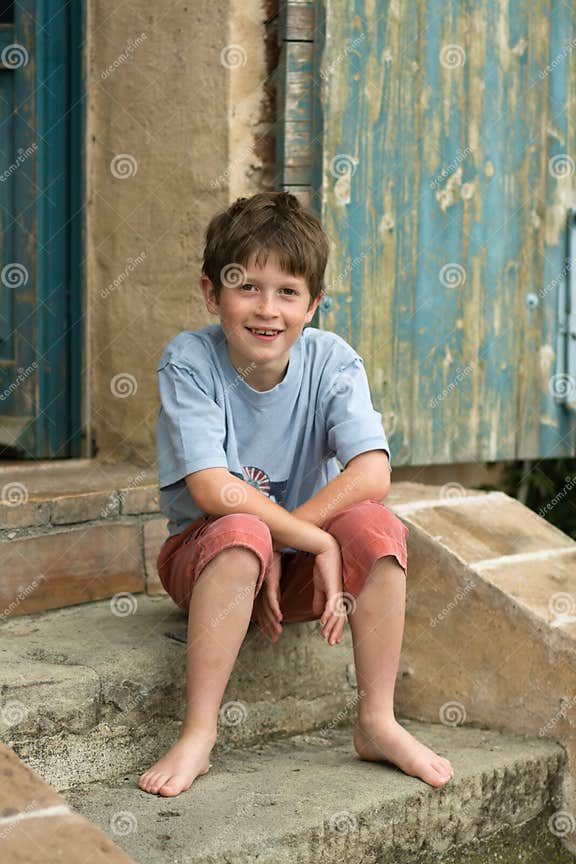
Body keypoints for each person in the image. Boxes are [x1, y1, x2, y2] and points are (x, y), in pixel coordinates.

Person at [138, 191, 454, 797]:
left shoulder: (331, 359)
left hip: (300, 575)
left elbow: (371, 472)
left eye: (288, 292)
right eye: (247, 287)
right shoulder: (190, 361)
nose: (267, 309)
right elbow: (211, 487)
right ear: (212, 294)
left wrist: (294, 546)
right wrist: (309, 539)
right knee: (241, 530)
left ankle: (377, 721)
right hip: (208, 564)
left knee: (376, 527)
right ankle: (200, 732)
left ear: (313, 305)